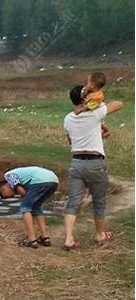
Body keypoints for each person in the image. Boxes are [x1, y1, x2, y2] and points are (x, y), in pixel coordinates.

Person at [62, 85, 123, 250]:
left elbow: (72, 142)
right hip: (95, 163)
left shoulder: (68, 118)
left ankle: (68, 239)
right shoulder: (96, 112)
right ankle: (99, 235)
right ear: (85, 98)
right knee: (99, 202)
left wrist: (96, 133)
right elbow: (118, 103)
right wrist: (95, 102)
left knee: (73, 201)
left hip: (76, 163)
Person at [0, 166, 59, 248]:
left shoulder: (8, 175)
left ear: (3, 189)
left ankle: (32, 239)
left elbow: (21, 190)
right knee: (36, 207)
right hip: (53, 180)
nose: (11, 196)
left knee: (25, 207)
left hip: (39, 181)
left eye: (7, 196)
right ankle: (45, 238)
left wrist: (24, 197)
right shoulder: (22, 179)